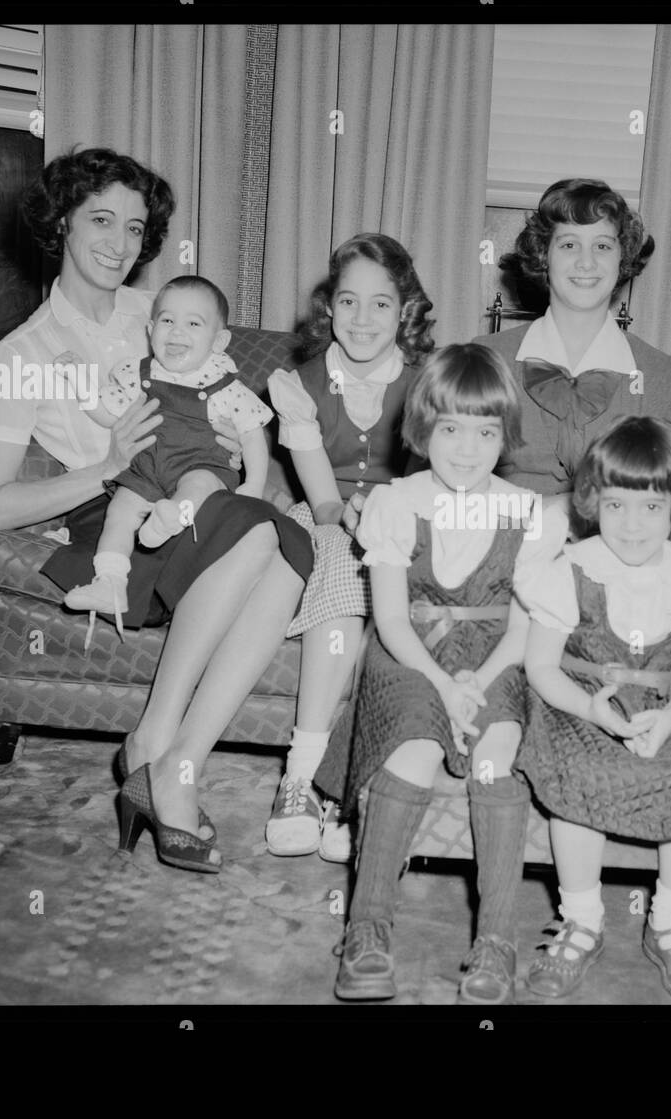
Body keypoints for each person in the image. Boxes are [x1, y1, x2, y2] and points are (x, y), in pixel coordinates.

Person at [0, 148, 314, 874]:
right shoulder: (22, 352)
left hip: (199, 501)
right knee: (264, 536)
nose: (119, 243)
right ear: (61, 221)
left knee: (284, 543)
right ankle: (165, 760)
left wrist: (233, 439)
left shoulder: (157, 314)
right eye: (101, 220)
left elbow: (227, 399)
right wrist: (105, 465)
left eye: (134, 227)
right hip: (115, 522)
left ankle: (165, 751)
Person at [316, 344, 567, 1004]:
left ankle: (496, 940)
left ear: (505, 435)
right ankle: (366, 928)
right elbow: (392, 623)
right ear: (423, 426)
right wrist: (442, 682)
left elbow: (520, 631)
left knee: (498, 756)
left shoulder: (528, 512)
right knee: (417, 747)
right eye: (450, 428)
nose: (466, 448)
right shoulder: (394, 502)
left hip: (494, 656)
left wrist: (476, 684)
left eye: (486, 431)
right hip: (411, 650)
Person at [514, 417, 671, 1003]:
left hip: (670, 708)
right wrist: (590, 708)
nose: (632, 525)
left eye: (650, 509)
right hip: (583, 706)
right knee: (578, 771)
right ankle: (581, 919)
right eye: (615, 506)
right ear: (592, 504)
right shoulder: (570, 572)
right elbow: (542, 668)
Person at [263, 234, 434, 864]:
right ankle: (301, 777)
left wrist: (390, 518)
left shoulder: (424, 384)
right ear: (329, 308)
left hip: (404, 516)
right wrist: (352, 516)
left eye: (382, 305)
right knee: (339, 564)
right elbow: (326, 501)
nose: (364, 320)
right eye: (350, 302)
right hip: (329, 514)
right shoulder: (298, 384)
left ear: (404, 312)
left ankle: (355, 785)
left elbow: (426, 481)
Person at [62, 275, 274, 641]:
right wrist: (81, 384)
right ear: (150, 328)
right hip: (147, 468)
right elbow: (109, 414)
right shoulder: (137, 373)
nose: (177, 332)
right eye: (167, 321)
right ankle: (109, 581)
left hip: (202, 463)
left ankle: (175, 514)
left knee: (199, 484)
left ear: (219, 340)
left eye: (193, 323)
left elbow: (253, 436)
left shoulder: (223, 384)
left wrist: (254, 483)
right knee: (120, 512)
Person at [474, 178, 671, 496]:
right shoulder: (486, 358)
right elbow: (445, 490)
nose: (587, 262)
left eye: (602, 246)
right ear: (544, 256)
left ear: (621, 258)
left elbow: (663, 495)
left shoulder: (655, 371)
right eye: (569, 245)